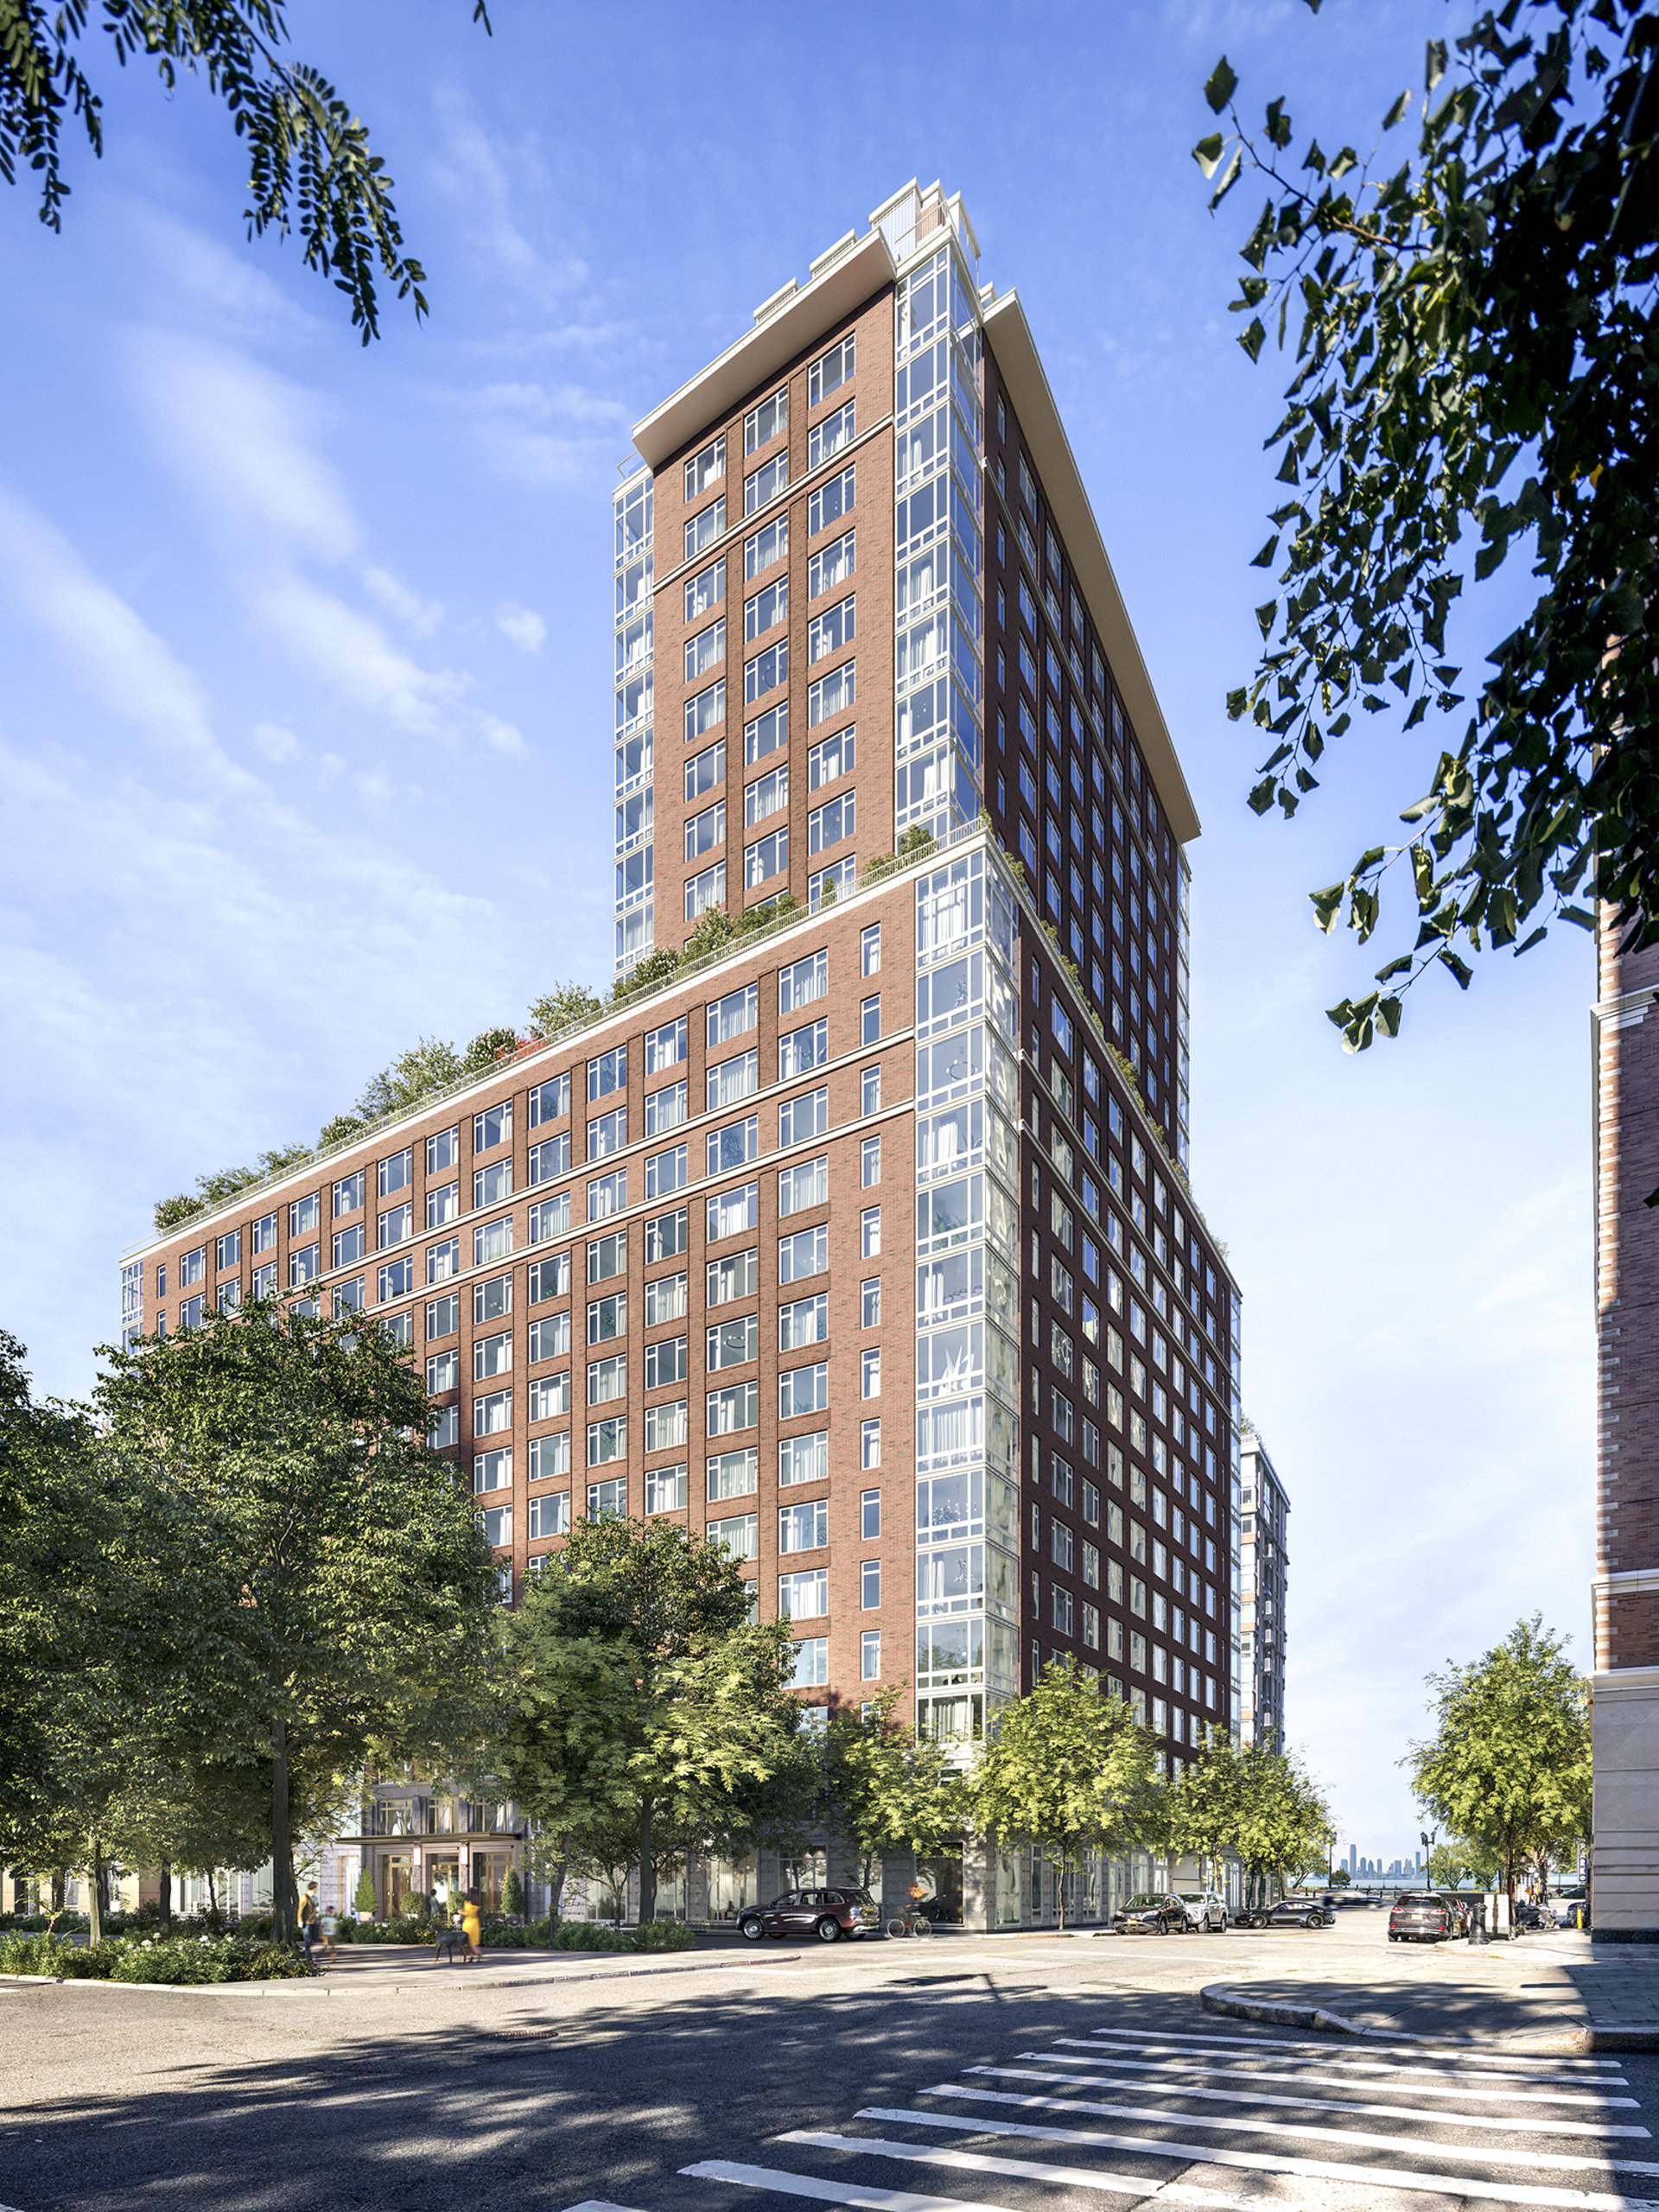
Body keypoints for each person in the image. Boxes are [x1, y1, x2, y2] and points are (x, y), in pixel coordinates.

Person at [300, 1884, 320, 1965]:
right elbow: (300, 1910)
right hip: (306, 1922)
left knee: (314, 1938)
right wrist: (300, 1921)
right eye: (316, 1888)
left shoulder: (314, 1897)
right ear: (314, 1888)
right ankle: (308, 1958)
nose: (317, 1890)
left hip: (313, 1921)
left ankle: (304, 1952)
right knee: (308, 1941)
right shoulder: (305, 1897)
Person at [461, 1892, 482, 1964]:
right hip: (475, 1923)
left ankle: (478, 1953)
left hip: (469, 1924)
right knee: (474, 1942)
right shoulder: (477, 1905)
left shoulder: (467, 1904)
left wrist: (460, 1912)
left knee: (469, 1941)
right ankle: (471, 1956)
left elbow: (467, 1913)